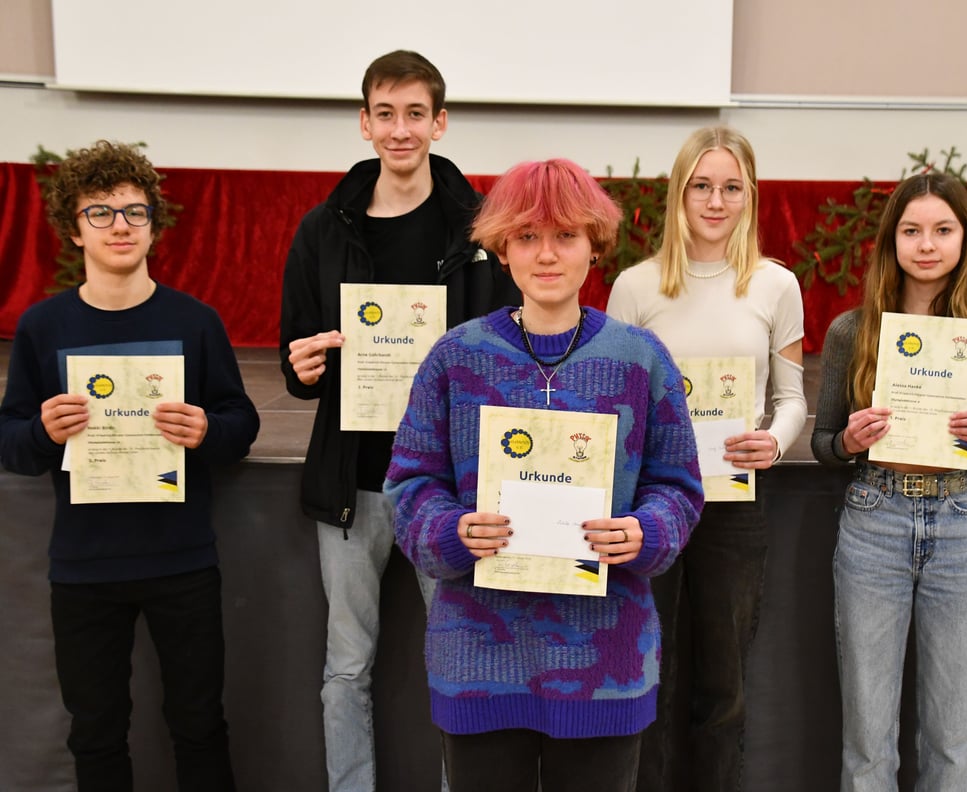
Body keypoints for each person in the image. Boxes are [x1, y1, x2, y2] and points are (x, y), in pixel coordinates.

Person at [383, 158, 704, 792]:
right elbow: (411, 485)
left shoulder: (640, 358)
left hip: (607, 665)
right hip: (478, 662)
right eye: (528, 236)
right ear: (503, 249)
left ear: (595, 246)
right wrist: (450, 532)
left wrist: (646, 532)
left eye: (565, 235)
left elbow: (679, 487)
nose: (547, 254)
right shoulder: (455, 357)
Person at [278, 50, 518, 791]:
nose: (400, 129)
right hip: (352, 480)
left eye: (416, 113)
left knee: (459, 662)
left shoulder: (481, 230)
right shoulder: (323, 229)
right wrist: (303, 366)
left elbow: (510, 346)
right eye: (385, 113)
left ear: (439, 123)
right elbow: (296, 357)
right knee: (346, 666)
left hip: (446, 487)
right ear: (365, 123)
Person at [0, 140, 259, 791]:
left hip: (182, 562)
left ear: (153, 224)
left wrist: (207, 429)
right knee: (95, 733)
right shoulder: (42, 327)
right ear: (74, 228)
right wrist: (41, 432)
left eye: (134, 211)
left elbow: (241, 424)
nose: (120, 225)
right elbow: (10, 441)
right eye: (101, 212)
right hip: (84, 568)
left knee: (199, 726)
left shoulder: (195, 321)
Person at [606, 125, 806, 791]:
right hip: (648, 507)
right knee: (646, 679)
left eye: (731, 188)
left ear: (750, 195)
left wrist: (774, 440)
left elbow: (792, 400)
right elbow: (616, 404)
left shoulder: (775, 286)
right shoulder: (636, 288)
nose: (716, 202)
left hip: (733, 506)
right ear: (680, 193)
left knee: (724, 686)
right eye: (701, 186)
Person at [812, 172, 967, 790]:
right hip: (873, 519)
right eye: (911, 230)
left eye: (942, 230)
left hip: (962, 525)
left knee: (954, 740)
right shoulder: (852, 331)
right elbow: (825, 444)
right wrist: (848, 442)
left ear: (965, 240)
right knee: (867, 741)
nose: (926, 245)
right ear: (892, 240)